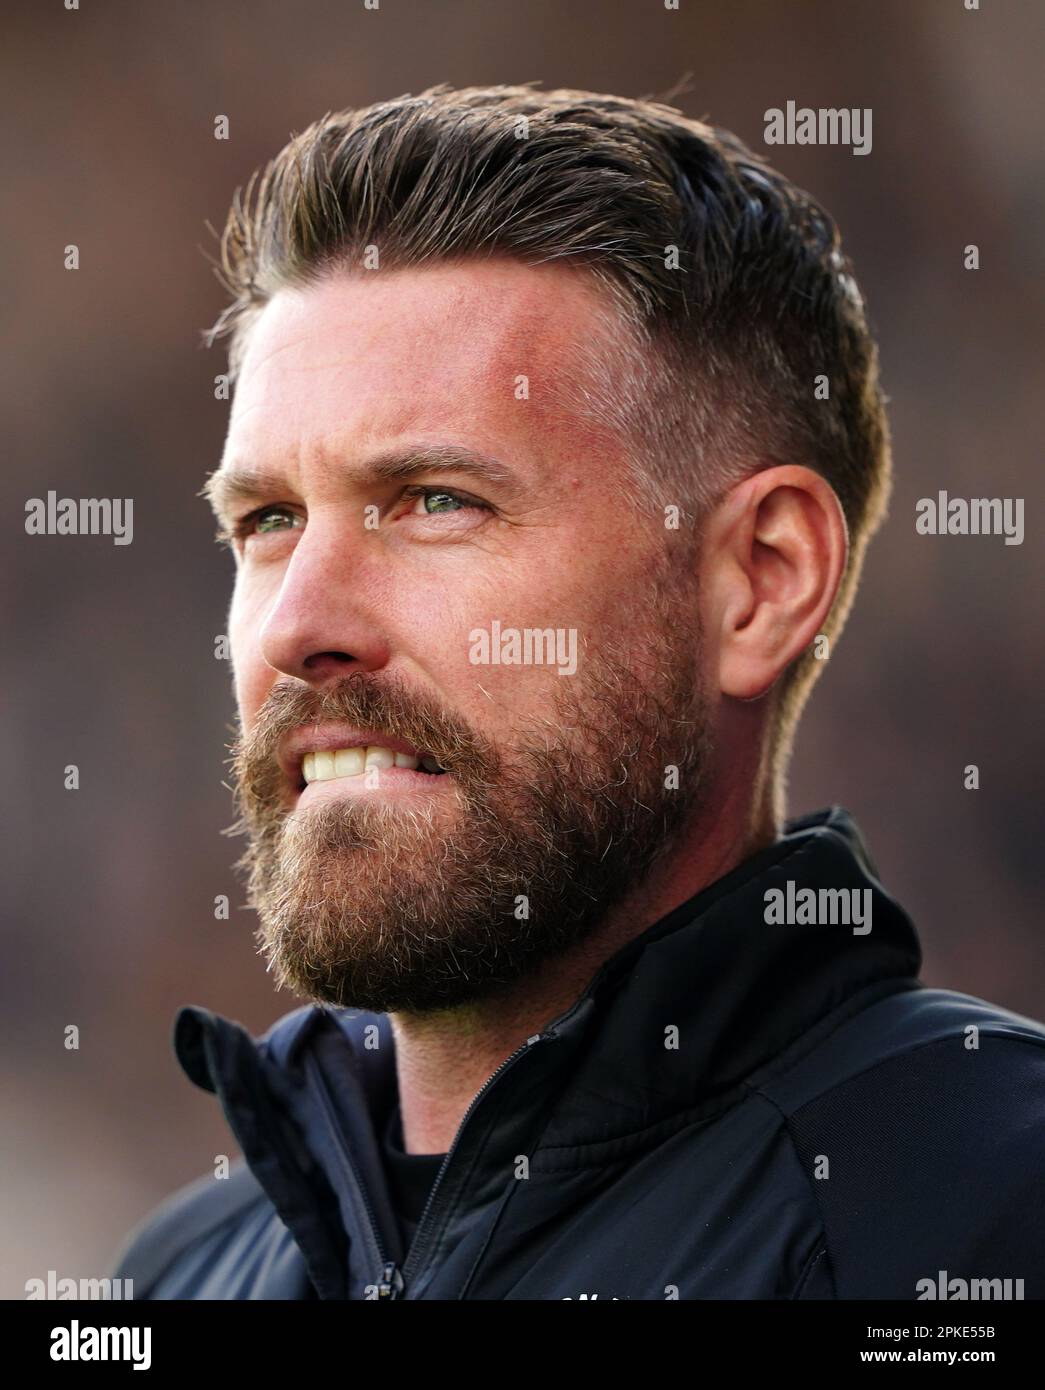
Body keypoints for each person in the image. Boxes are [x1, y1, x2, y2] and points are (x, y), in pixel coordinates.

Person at [112, 84, 1045, 1300]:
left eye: (436, 501)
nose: (297, 627)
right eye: (269, 520)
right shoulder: (174, 1276)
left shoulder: (985, 1212)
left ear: (761, 581)